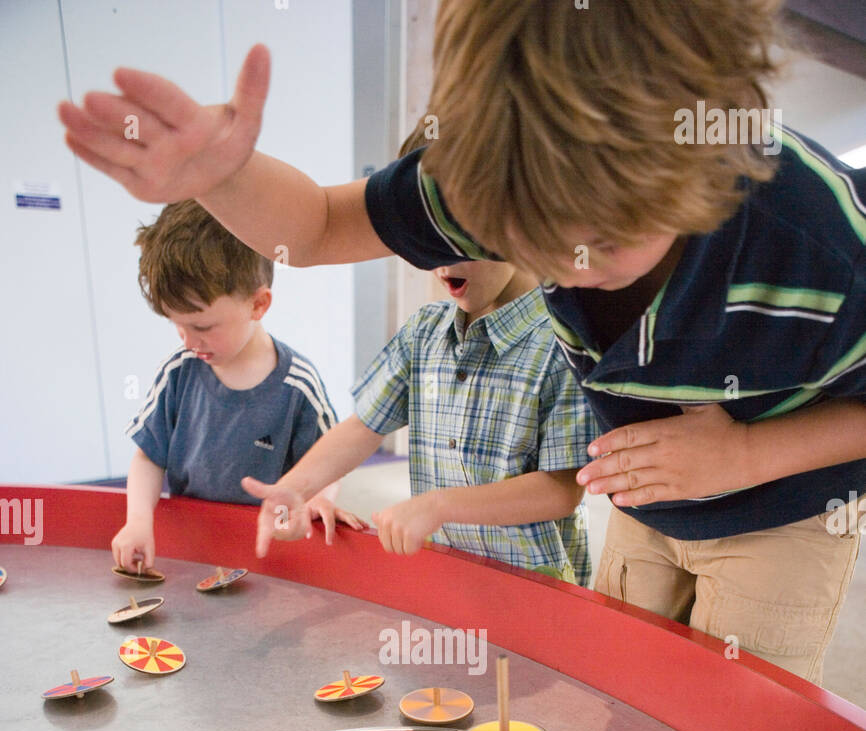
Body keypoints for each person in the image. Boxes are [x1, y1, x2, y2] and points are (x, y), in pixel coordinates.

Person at [60, 0, 866, 682]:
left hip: (782, 506)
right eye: (525, 235)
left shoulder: (819, 240)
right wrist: (219, 176)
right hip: (648, 500)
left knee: (733, 720)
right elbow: (317, 224)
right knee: (628, 697)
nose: (562, 267)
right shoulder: (498, 164)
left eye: (602, 243)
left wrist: (745, 460)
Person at [242, 125, 591, 582]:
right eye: (422, 243)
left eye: (457, 241)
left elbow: (561, 491)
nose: (441, 263)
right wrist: (293, 487)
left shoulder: (561, 338)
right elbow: (365, 425)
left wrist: (440, 506)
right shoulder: (424, 333)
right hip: (451, 578)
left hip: (538, 587)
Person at [111, 201, 359, 571]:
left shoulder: (297, 385)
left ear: (258, 304)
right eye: (177, 325)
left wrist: (320, 497)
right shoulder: (179, 372)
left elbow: (329, 460)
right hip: (197, 549)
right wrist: (138, 521)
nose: (188, 342)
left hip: (271, 555)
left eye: (203, 327)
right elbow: (149, 456)